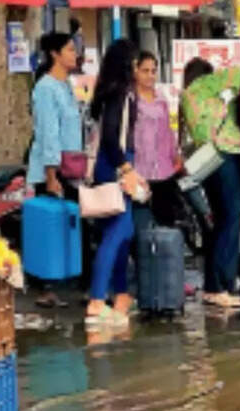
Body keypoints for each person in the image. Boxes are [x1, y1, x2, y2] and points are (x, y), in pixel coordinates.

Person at [181, 58, 240, 309]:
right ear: (205, 75)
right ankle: (224, 285)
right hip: (225, 156)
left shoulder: (187, 97)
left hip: (208, 162)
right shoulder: (206, 84)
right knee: (231, 219)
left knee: (217, 223)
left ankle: (212, 287)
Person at [86, 39, 145, 326]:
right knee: (115, 233)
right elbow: (111, 138)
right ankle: (97, 300)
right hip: (114, 165)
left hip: (115, 163)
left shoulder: (110, 93)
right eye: (135, 63)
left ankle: (121, 295)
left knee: (124, 232)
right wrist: (126, 168)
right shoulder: (120, 95)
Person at [26, 32, 84, 308]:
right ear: (54, 54)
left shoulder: (67, 86)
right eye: (70, 50)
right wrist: (51, 175)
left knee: (71, 223)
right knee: (49, 225)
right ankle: (46, 286)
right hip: (53, 167)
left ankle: (64, 279)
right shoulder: (46, 88)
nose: (75, 54)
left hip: (72, 166)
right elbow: (48, 132)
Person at [131, 51, 183, 230]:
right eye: (145, 71)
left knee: (166, 223)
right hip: (139, 170)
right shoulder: (130, 100)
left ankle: (164, 257)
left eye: (153, 71)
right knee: (140, 224)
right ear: (135, 71)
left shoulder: (161, 98)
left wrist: (175, 155)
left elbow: (168, 131)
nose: (150, 75)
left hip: (163, 170)